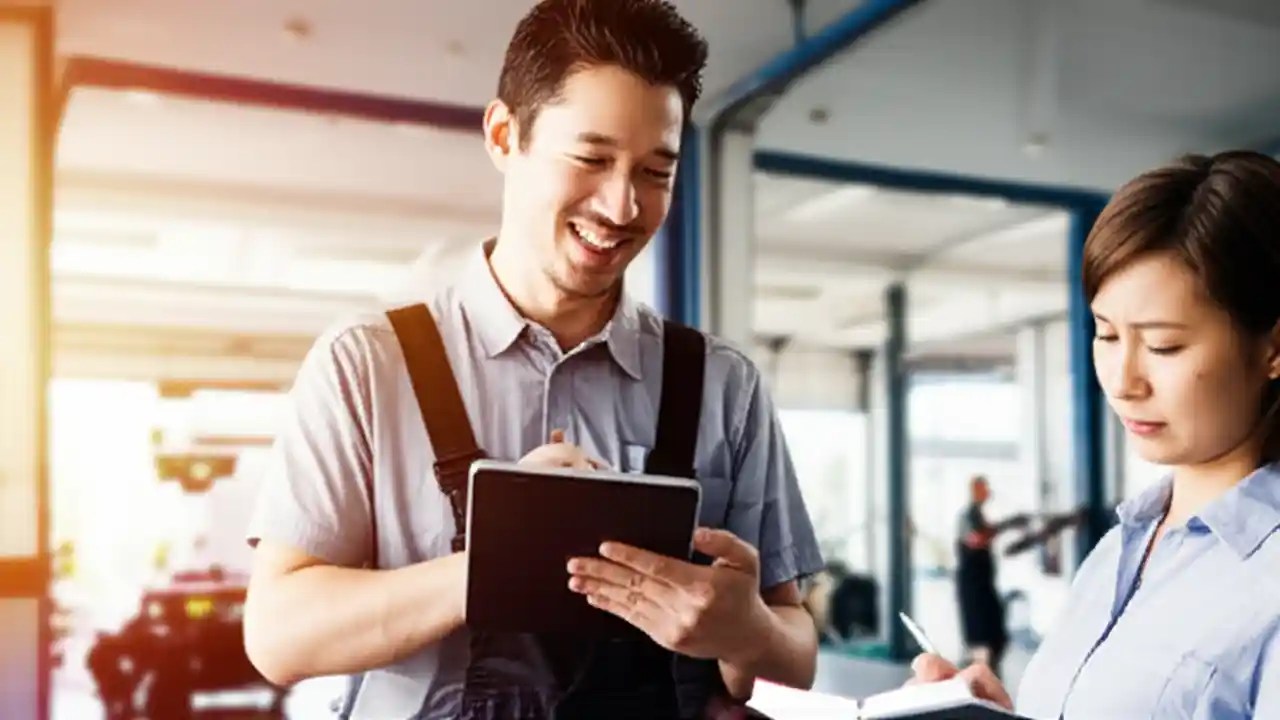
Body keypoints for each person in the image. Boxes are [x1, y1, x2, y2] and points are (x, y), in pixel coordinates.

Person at [240, 2, 825, 719]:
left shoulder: (722, 386)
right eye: (591, 159)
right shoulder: (366, 366)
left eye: (655, 172)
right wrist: (499, 561)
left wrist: (748, 631)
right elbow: (278, 635)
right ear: (503, 135)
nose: (623, 206)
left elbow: (795, 650)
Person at [910, 150, 1280, 718]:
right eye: (1106, 335)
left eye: (1163, 346)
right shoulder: (1117, 551)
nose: (1123, 382)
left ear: (1273, 348)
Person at [953, 474, 1028, 677]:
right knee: (981, 636)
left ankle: (990, 672)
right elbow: (977, 538)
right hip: (974, 587)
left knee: (995, 636)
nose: (988, 493)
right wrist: (1006, 525)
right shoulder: (968, 516)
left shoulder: (977, 515)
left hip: (984, 584)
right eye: (983, 489)